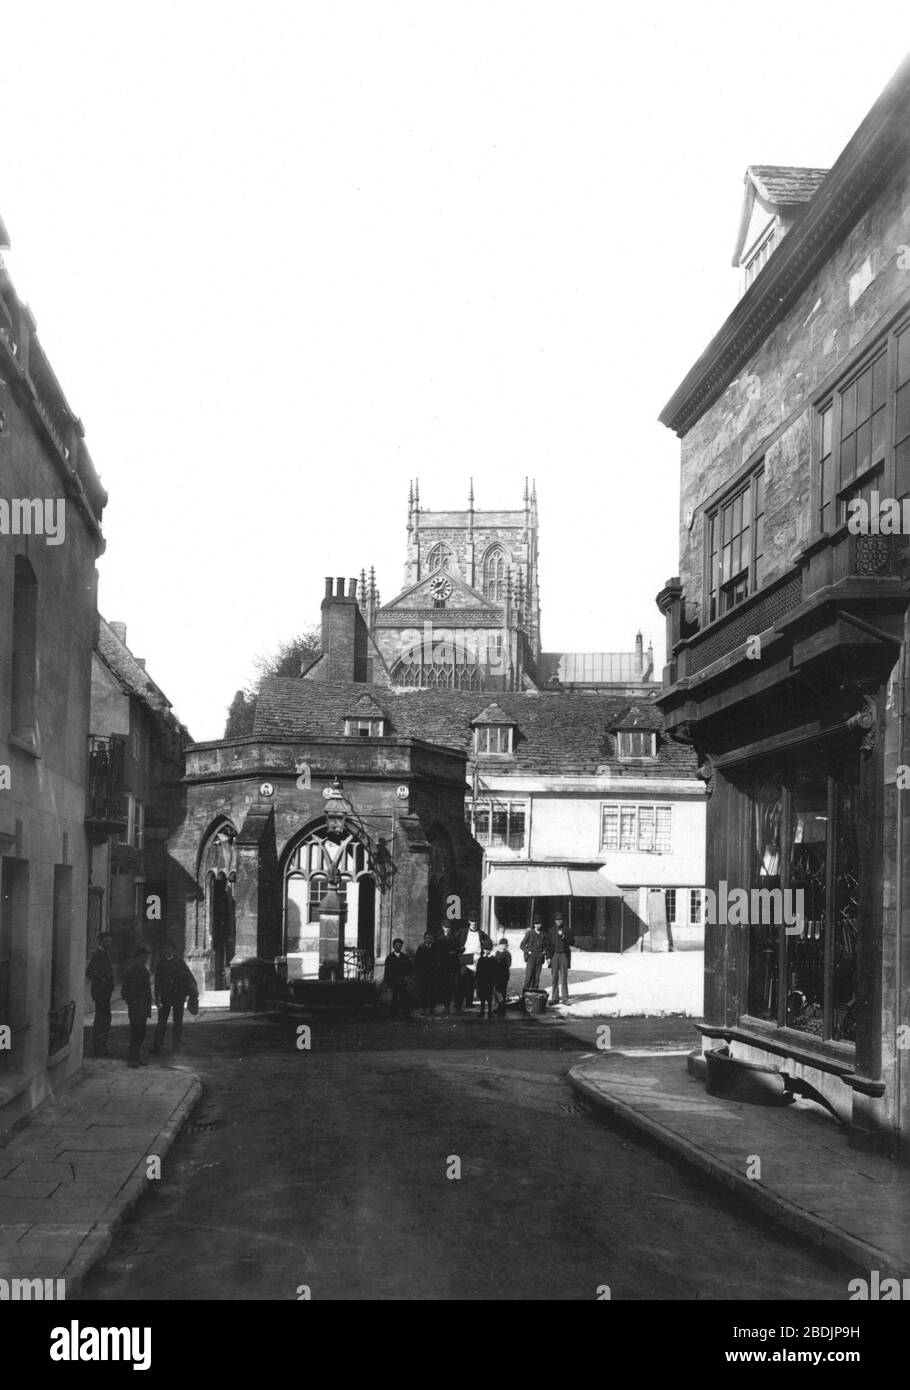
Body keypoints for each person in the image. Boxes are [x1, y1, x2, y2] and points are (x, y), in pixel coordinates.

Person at [151, 942, 199, 1054]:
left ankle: (176, 1045)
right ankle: (157, 1045)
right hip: (165, 997)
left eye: (169, 949)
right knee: (161, 1022)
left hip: (178, 997)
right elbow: (157, 981)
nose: (167, 951)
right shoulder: (160, 964)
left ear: (173, 950)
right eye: (165, 949)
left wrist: (190, 993)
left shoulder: (179, 962)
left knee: (178, 1022)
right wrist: (157, 997)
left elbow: (190, 977)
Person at [121, 946, 153, 1068]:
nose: (145, 959)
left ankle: (137, 1058)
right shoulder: (132, 970)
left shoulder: (143, 969)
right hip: (136, 1007)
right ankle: (132, 1060)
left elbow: (147, 990)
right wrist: (133, 1002)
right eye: (143, 957)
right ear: (138, 957)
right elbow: (125, 991)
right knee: (136, 1034)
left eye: (146, 957)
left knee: (141, 1033)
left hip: (143, 1006)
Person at [85, 931, 114, 1057]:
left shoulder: (104, 954)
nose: (109, 944)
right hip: (100, 993)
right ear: (101, 941)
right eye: (106, 941)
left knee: (104, 1019)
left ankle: (101, 1046)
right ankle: (99, 1047)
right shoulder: (98, 955)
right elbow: (89, 971)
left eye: (110, 941)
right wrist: (102, 980)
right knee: (102, 1020)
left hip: (104, 993)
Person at [455, 913, 492, 1011]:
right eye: (472, 921)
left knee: (471, 983)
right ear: (469, 922)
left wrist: (484, 950)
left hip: (476, 959)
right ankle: (458, 1004)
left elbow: (489, 942)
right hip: (465, 958)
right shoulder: (462, 932)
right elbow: (454, 942)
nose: (474, 923)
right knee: (461, 982)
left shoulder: (481, 933)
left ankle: (469, 1003)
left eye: (475, 922)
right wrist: (459, 949)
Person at [547, 911, 575, 1006]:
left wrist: (564, 937)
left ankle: (565, 998)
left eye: (560, 920)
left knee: (564, 978)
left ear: (563, 921)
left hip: (564, 955)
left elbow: (572, 942)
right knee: (554, 977)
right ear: (554, 921)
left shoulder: (567, 930)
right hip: (554, 955)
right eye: (557, 920)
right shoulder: (551, 931)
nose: (559, 921)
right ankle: (555, 998)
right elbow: (548, 945)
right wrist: (548, 957)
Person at [433, 923, 460, 1015]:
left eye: (449, 927)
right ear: (443, 928)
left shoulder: (454, 938)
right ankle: (446, 1006)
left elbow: (458, 949)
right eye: (446, 927)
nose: (447, 929)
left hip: (453, 966)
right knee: (444, 986)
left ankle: (455, 1006)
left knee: (454, 986)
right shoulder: (439, 939)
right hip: (444, 966)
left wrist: (456, 951)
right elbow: (437, 952)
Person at [383, 938, 412, 1019]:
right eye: (396, 945)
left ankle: (406, 1015)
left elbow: (409, 969)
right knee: (394, 999)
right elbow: (387, 971)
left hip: (403, 981)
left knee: (404, 998)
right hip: (394, 981)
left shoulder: (405, 957)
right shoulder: (389, 958)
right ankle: (393, 1015)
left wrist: (407, 977)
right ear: (393, 946)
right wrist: (387, 982)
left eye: (400, 946)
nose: (398, 947)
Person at [520, 916, 547, 993]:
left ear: (541, 925)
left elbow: (547, 945)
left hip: (540, 956)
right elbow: (522, 945)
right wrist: (528, 951)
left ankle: (534, 995)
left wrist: (544, 951)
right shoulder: (530, 933)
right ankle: (525, 995)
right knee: (529, 976)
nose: (537, 925)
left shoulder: (543, 934)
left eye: (539, 924)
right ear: (534, 925)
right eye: (536, 924)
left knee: (537, 977)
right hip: (531, 956)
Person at [414, 932, 439, 1017]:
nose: (428, 939)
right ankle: (423, 1009)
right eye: (427, 938)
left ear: (432, 939)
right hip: (423, 974)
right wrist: (420, 971)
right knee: (423, 992)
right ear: (424, 938)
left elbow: (438, 960)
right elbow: (417, 961)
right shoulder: (421, 948)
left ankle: (432, 1009)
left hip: (433, 974)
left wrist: (435, 968)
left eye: (430, 938)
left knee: (433, 992)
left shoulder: (435, 948)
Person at [474, 944, 497, 1019]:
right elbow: (478, 970)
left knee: (489, 997)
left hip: (489, 981)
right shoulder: (481, 959)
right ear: (483, 950)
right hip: (482, 980)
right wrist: (477, 979)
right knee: (482, 997)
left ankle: (489, 1012)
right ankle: (482, 1011)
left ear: (490, 950)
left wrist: (494, 980)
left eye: (488, 950)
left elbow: (494, 971)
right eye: (485, 949)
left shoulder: (493, 959)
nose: (487, 951)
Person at [493, 937, 512, 1017]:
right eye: (502, 944)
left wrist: (500, 964)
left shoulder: (507, 954)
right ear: (499, 945)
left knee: (503, 992)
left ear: (507, 946)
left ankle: (502, 1008)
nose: (503, 946)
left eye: (505, 945)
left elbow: (508, 964)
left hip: (504, 975)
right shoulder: (497, 952)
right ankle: (497, 1006)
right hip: (496, 975)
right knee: (496, 991)